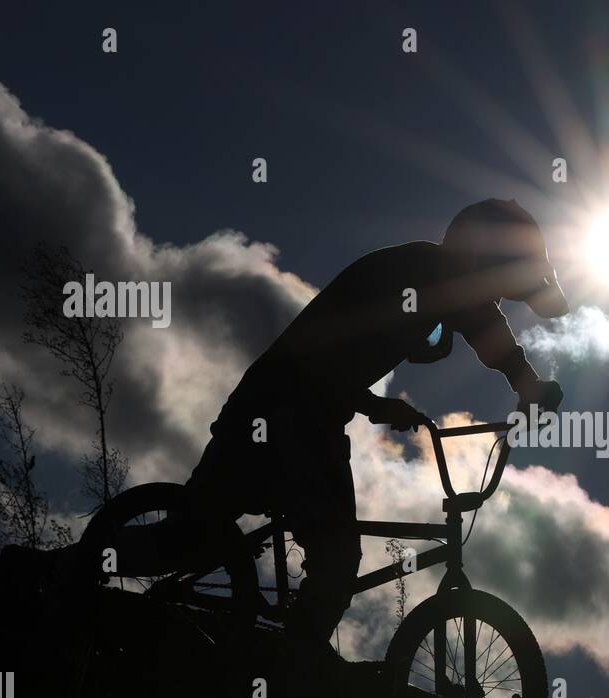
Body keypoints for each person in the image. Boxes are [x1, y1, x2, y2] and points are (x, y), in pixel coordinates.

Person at [184, 199, 567, 645]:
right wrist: (529, 388)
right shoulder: (430, 273)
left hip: (294, 410)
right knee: (334, 556)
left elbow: (483, 329)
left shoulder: (433, 274)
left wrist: (373, 405)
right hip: (286, 412)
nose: (494, 298)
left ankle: (290, 657)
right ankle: (294, 666)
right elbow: (486, 331)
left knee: (195, 533)